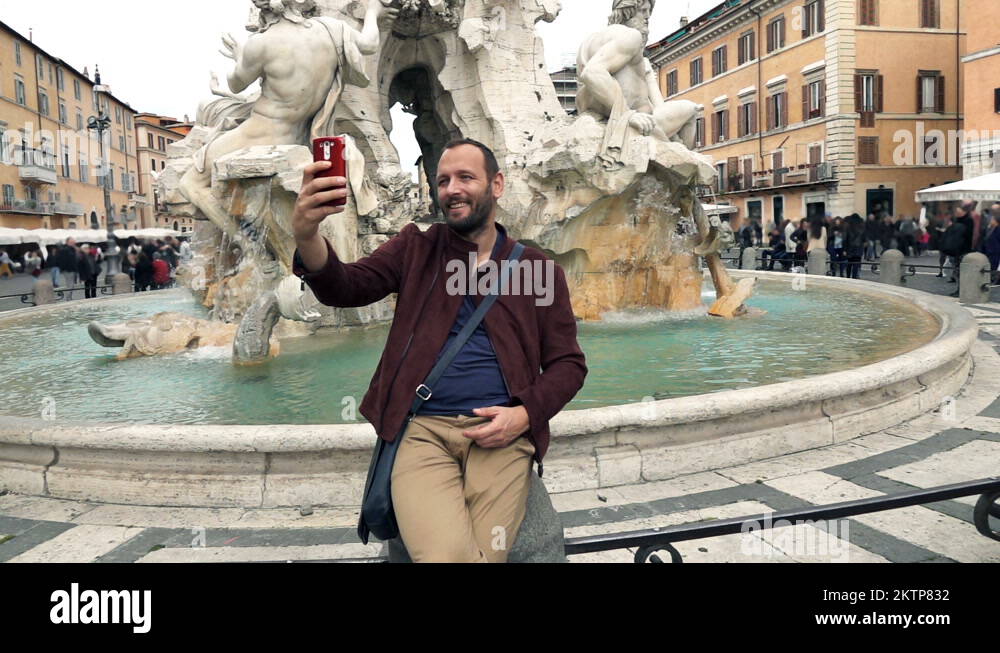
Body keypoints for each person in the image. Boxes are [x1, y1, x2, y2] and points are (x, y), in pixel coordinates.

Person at [292, 138, 587, 562]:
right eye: (443, 180)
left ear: (496, 184)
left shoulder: (537, 270)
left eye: (466, 177)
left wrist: (524, 414)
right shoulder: (416, 248)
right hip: (423, 431)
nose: (451, 189)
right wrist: (306, 235)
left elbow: (568, 365)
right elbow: (346, 286)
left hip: (500, 436)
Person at [844, 213, 866, 279]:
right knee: (856, 264)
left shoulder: (848, 227)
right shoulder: (862, 227)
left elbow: (845, 239)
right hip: (858, 248)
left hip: (849, 248)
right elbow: (864, 238)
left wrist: (845, 249)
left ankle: (848, 276)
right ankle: (854, 278)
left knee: (849, 263)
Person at [985, 206, 1000, 285]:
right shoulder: (991, 228)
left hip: (995, 251)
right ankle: (993, 278)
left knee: (995, 265)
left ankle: (996, 279)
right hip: (991, 251)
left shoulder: (998, 229)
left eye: (992, 220)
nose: (990, 220)